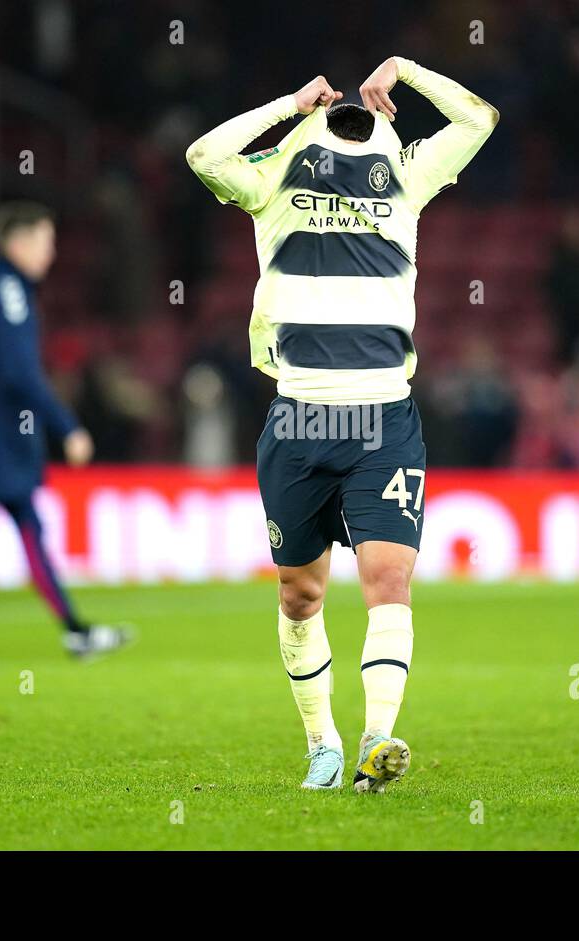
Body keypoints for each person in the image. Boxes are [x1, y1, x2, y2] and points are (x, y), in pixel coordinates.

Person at [186, 57, 497, 791]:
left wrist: (406, 71)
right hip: (298, 419)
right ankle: (321, 743)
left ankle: (376, 739)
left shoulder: (406, 176)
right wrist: (288, 106)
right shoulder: (274, 179)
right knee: (301, 594)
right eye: (335, 120)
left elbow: (478, 119)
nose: (350, 125)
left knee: (389, 579)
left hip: (384, 418)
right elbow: (204, 155)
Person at [0, 201, 130, 665]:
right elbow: (19, 371)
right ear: (18, 243)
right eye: (44, 241)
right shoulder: (9, 288)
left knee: (9, 527)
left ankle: (73, 630)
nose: (50, 253)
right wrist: (67, 426)